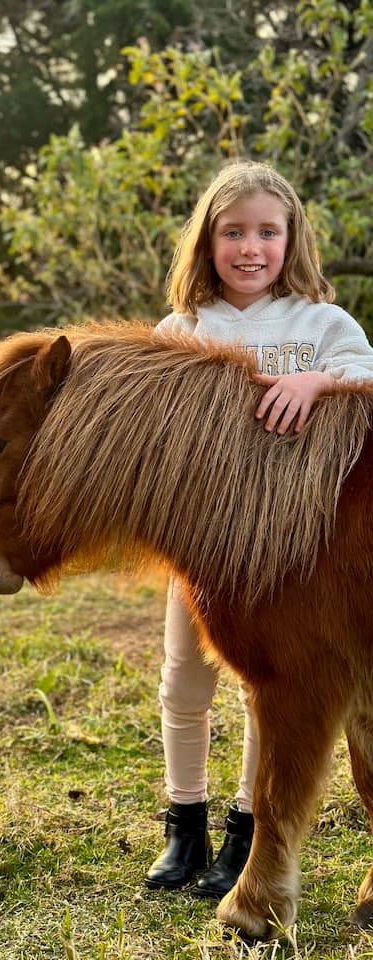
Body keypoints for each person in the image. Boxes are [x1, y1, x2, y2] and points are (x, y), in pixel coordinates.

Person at [144, 159, 373, 899]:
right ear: (207, 242)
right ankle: (186, 826)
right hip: (201, 542)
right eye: (233, 232)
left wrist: (318, 379)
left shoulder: (322, 324)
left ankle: (246, 833)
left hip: (289, 550)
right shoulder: (183, 328)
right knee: (184, 681)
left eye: (267, 232)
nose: (251, 248)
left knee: (262, 687)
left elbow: (368, 379)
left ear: (291, 238)